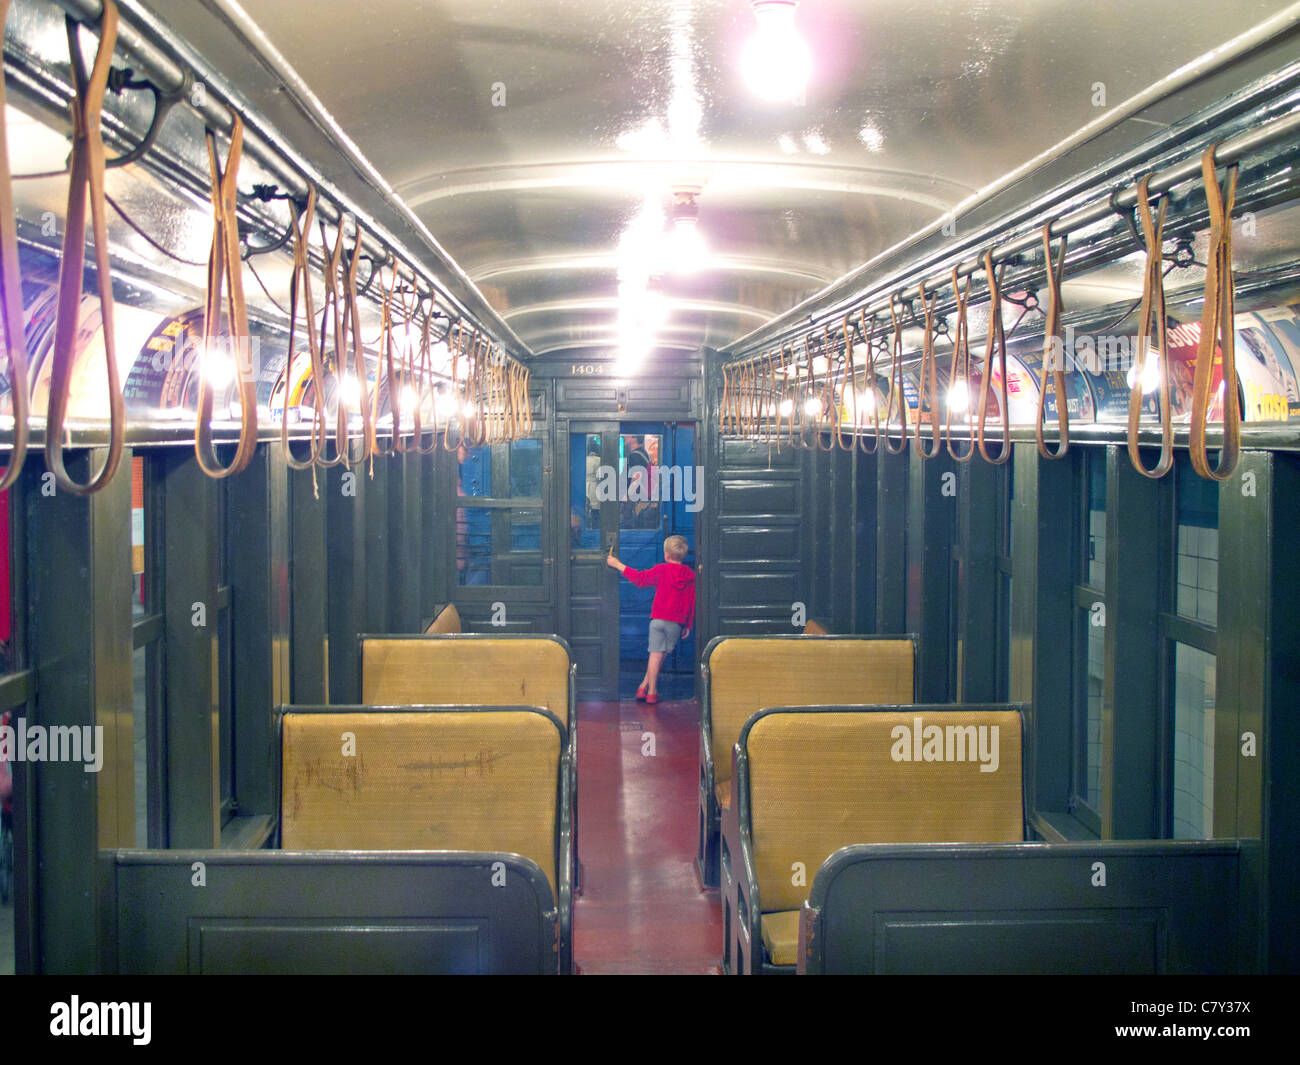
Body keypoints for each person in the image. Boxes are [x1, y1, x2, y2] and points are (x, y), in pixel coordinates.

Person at [606, 534, 694, 704]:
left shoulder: (661, 570)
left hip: (657, 620)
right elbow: (691, 601)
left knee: (655, 655)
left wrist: (617, 564)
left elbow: (640, 579)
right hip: (675, 622)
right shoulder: (690, 576)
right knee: (660, 656)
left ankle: (648, 690)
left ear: (666, 555)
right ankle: (647, 688)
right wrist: (688, 624)